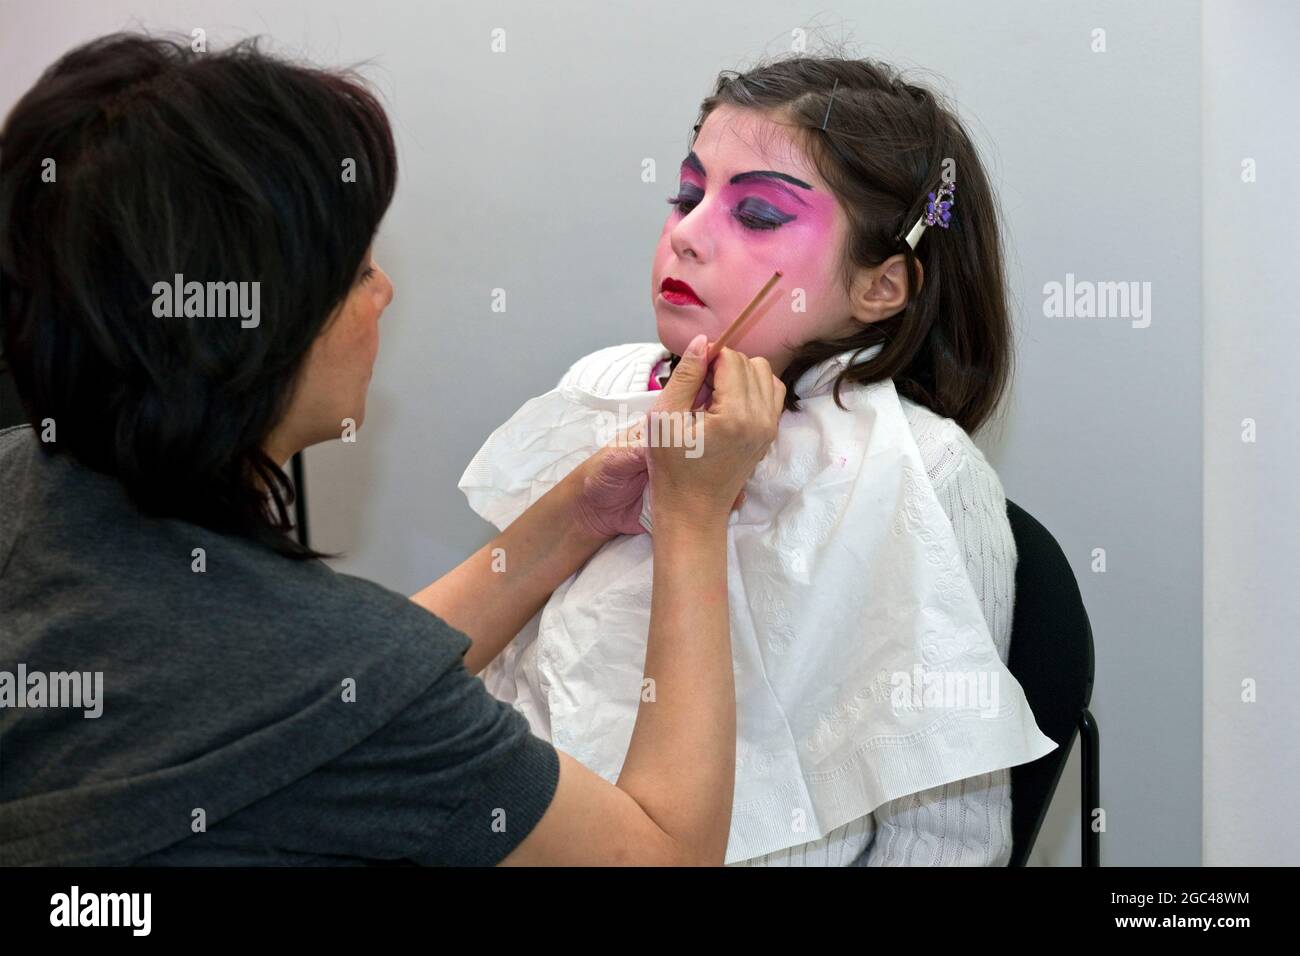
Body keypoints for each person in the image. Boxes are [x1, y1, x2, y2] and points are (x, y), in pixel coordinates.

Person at [0, 33, 784, 866]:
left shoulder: (25, 476)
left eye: (762, 212)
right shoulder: (346, 686)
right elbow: (661, 856)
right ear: (255, 334)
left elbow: (326, 689)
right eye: (356, 269)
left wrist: (578, 515)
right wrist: (693, 519)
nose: (386, 291)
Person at [465, 55, 1039, 866]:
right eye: (687, 195)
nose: (687, 235)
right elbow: (496, 696)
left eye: (759, 213)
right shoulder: (603, 391)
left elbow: (944, 835)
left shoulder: (922, 472)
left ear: (882, 287)